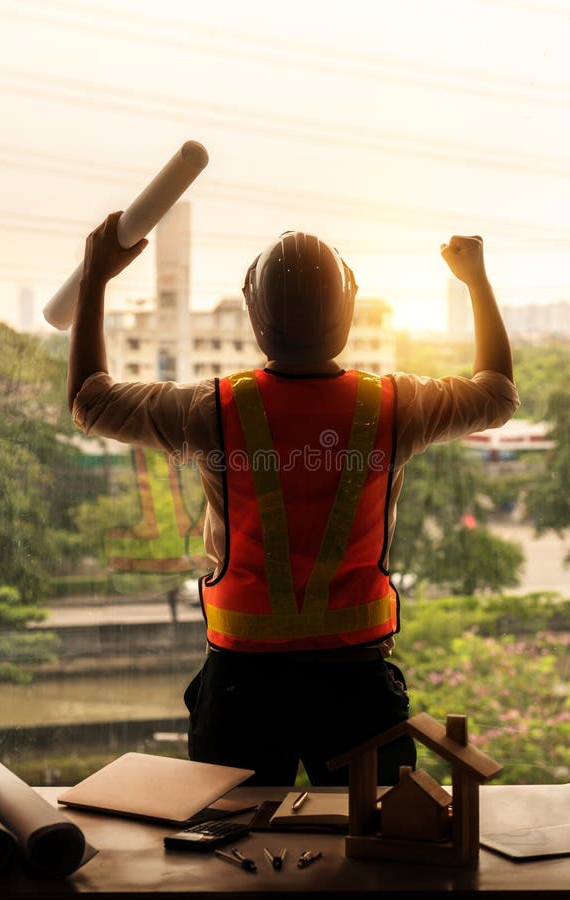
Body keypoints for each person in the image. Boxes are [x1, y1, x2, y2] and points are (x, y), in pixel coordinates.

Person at [68, 213, 519, 787]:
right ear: (347, 312)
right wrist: (475, 280)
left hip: (242, 687)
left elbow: (90, 400)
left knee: (235, 851)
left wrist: (95, 277)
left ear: (256, 317)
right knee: (374, 852)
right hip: (356, 685)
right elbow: (498, 393)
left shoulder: (213, 410)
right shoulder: (393, 407)